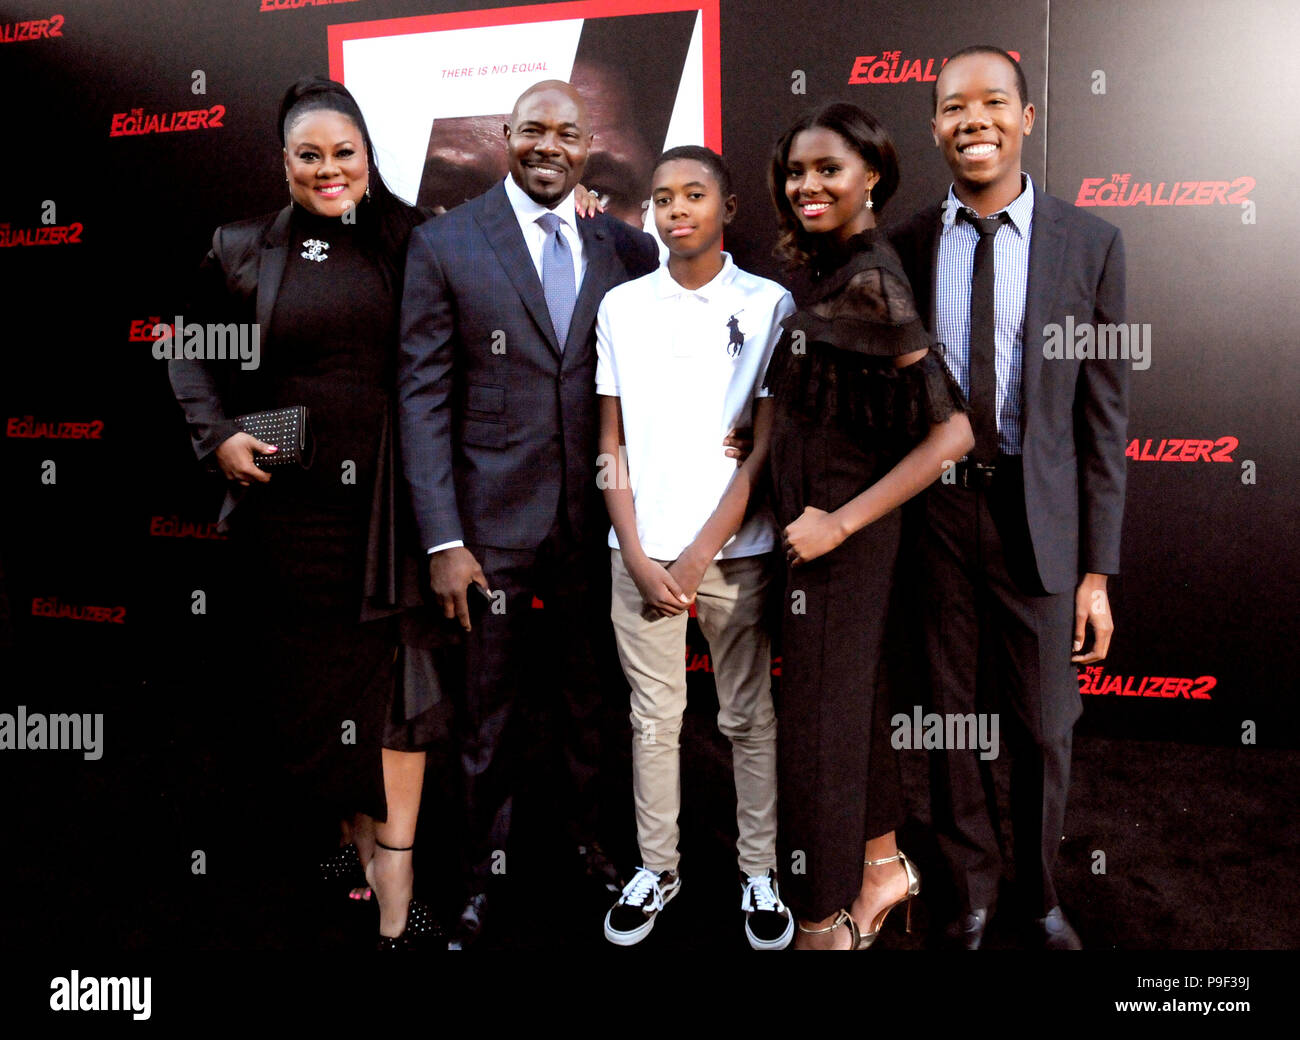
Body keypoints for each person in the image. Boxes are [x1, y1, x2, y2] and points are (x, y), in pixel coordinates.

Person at [168, 77, 439, 950]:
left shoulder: (414, 237)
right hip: (291, 511)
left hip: (394, 505)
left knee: (400, 681)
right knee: (313, 692)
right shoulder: (243, 245)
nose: (330, 170)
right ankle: (352, 839)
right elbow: (188, 348)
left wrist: (585, 212)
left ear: (368, 155)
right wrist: (218, 439)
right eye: (309, 155)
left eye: (344, 152)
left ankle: (396, 867)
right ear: (282, 162)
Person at [397, 79, 662, 949]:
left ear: (587, 148)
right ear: (508, 136)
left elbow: (657, 383)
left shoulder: (627, 250)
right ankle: (476, 878)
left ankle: (590, 849)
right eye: (534, 130)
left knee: (594, 704)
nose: (551, 145)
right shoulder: (445, 243)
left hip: (597, 526)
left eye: (568, 133)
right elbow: (424, 398)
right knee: (487, 712)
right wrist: (443, 537)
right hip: (486, 531)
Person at [889, 46, 1128, 950]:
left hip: (1041, 521)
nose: (974, 120)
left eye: (994, 103)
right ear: (936, 125)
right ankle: (970, 892)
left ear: (1028, 118)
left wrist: (1097, 571)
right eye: (955, 107)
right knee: (947, 718)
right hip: (936, 520)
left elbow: (1106, 420)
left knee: (1042, 727)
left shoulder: (1092, 244)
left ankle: (1039, 892)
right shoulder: (906, 245)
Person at [764, 103, 974, 949]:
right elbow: (842, 399)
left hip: (838, 549)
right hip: (823, 542)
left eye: (828, 170)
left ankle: (820, 923)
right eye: (796, 173)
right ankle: (883, 866)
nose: (807, 186)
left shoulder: (871, 279)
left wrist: (840, 526)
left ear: (872, 177)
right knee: (853, 709)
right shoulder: (835, 266)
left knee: (816, 733)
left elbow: (952, 431)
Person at [594, 145, 795, 949]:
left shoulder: (772, 302)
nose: (676, 209)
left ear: (729, 209)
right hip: (637, 553)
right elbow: (609, 441)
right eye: (662, 197)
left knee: (748, 717)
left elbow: (764, 450)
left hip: (734, 553)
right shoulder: (622, 307)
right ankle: (658, 869)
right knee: (654, 720)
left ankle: (758, 874)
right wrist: (638, 551)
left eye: (695, 195)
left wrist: (698, 552)